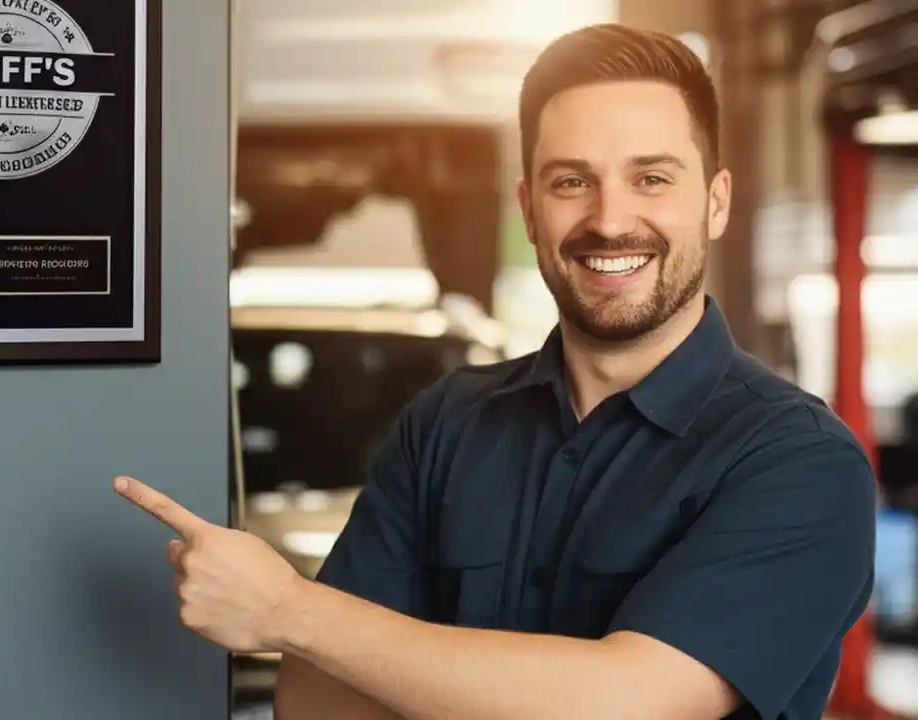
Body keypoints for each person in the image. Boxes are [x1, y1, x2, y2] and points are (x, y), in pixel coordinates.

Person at [114, 23, 876, 720]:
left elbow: (630, 701)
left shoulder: (797, 460)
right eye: (571, 181)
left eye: (652, 179)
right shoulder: (446, 423)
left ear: (715, 203)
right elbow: (317, 701)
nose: (610, 220)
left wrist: (289, 611)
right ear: (529, 208)